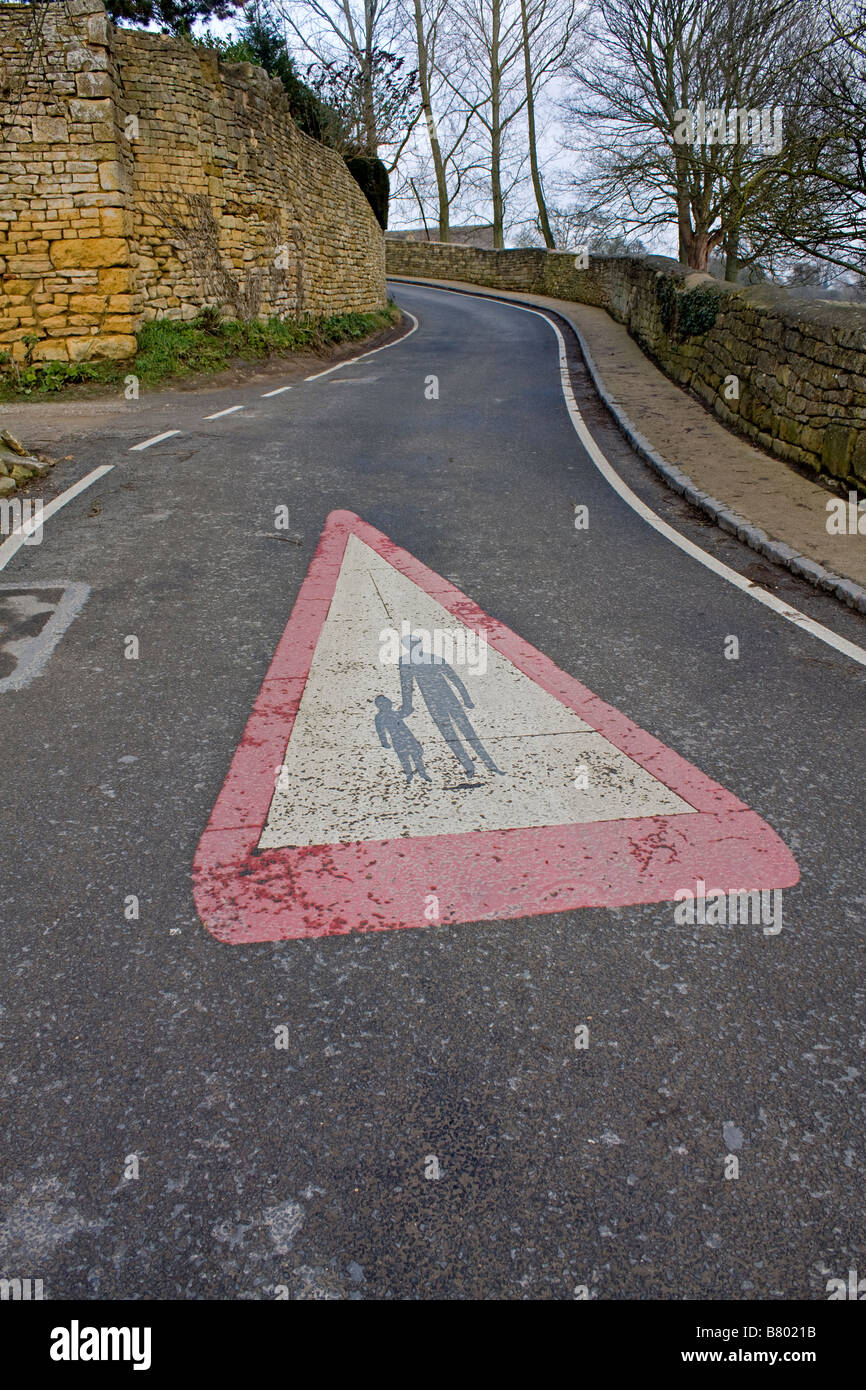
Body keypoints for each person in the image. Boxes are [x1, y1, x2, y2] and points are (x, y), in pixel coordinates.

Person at [374, 694, 431, 783]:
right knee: (404, 758)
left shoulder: (393, 713)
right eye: (382, 703)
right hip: (397, 739)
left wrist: (408, 708)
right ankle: (409, 775)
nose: (385, 704)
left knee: (416, 756)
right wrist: (384, 742)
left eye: (385, 701)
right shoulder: (380, 717)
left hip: (408, 737)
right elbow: (380, 730)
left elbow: (404, 713)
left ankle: (422, 773)